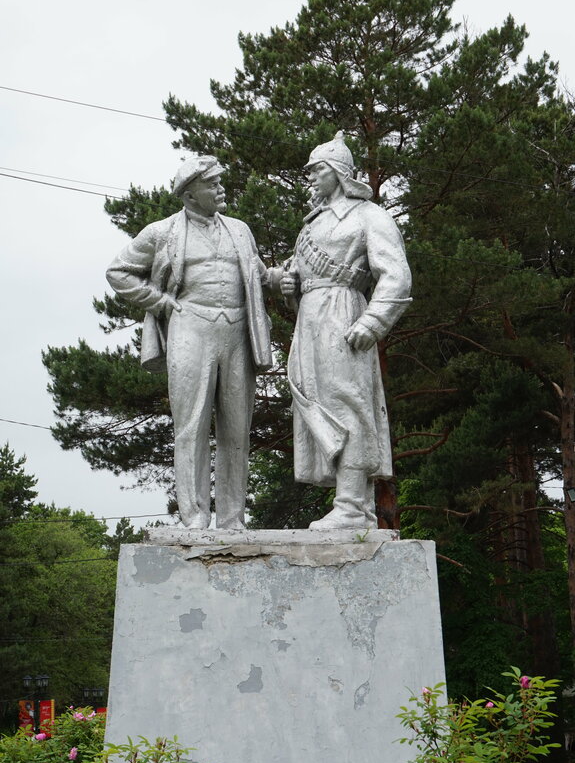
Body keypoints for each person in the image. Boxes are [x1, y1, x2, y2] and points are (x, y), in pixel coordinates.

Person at [106, 155, 272, 530]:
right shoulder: (162, 232)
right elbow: (118, 272)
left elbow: (259, 273)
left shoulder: (240, 230)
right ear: (190, 194)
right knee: (191, 424)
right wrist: (162, 302)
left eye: (219, 182)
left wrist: (286, 278)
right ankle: (194, 517)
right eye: (212, 184)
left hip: (237, 331)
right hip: (190, 326)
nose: (220, 189)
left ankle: (232, 518)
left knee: (236, 428)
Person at [280, 132, 412, 530]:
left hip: (344, 315)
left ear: (337, 172)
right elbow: (299, 274)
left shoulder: (369, 216)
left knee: (348, 403)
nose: (311, 179)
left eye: (317, 170)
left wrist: (372, 322)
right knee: (317, 403)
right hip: (311, 319)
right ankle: (357, 506)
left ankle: (352, 506)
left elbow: (396, 276)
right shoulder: (314, 223)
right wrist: (290, 285)